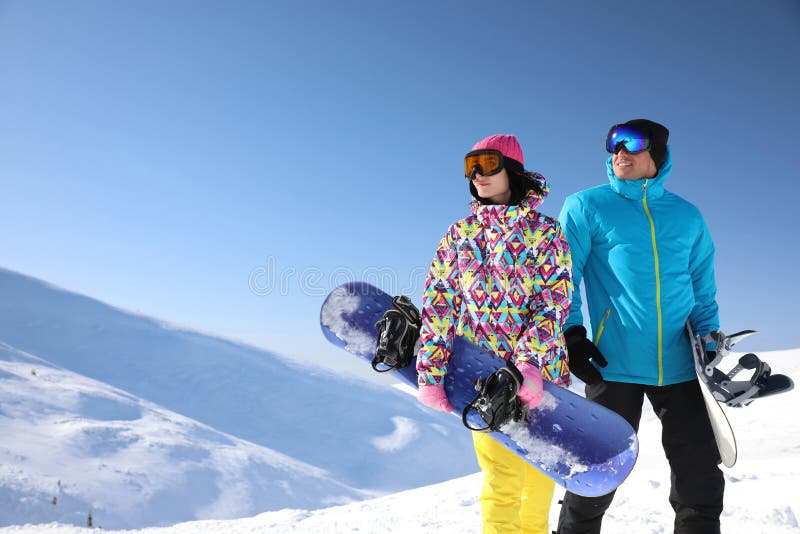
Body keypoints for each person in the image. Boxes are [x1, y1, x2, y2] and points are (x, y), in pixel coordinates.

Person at [556, 119, 724, 534]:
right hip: (612, 363)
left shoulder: (686, 215)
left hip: (682, 365)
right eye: (613, 145)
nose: (619, 152)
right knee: (594, 474)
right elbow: (561, 278)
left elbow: (702, 286)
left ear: (658, 155)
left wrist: (709, 337)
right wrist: (572, 334)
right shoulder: (586, 205)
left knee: (699, 474)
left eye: (631, 144)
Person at [416, 134, 573, 534]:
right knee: (500, 484)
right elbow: (440, 304)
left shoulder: (547, 233)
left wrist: (530, 362)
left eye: (487, 164)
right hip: (485, 377)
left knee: (536, 486)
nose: (477, 176)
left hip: (542, 379)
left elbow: (552, 305)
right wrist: (431, 372)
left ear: (513, 170)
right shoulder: (459, 234)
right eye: (470, 167)